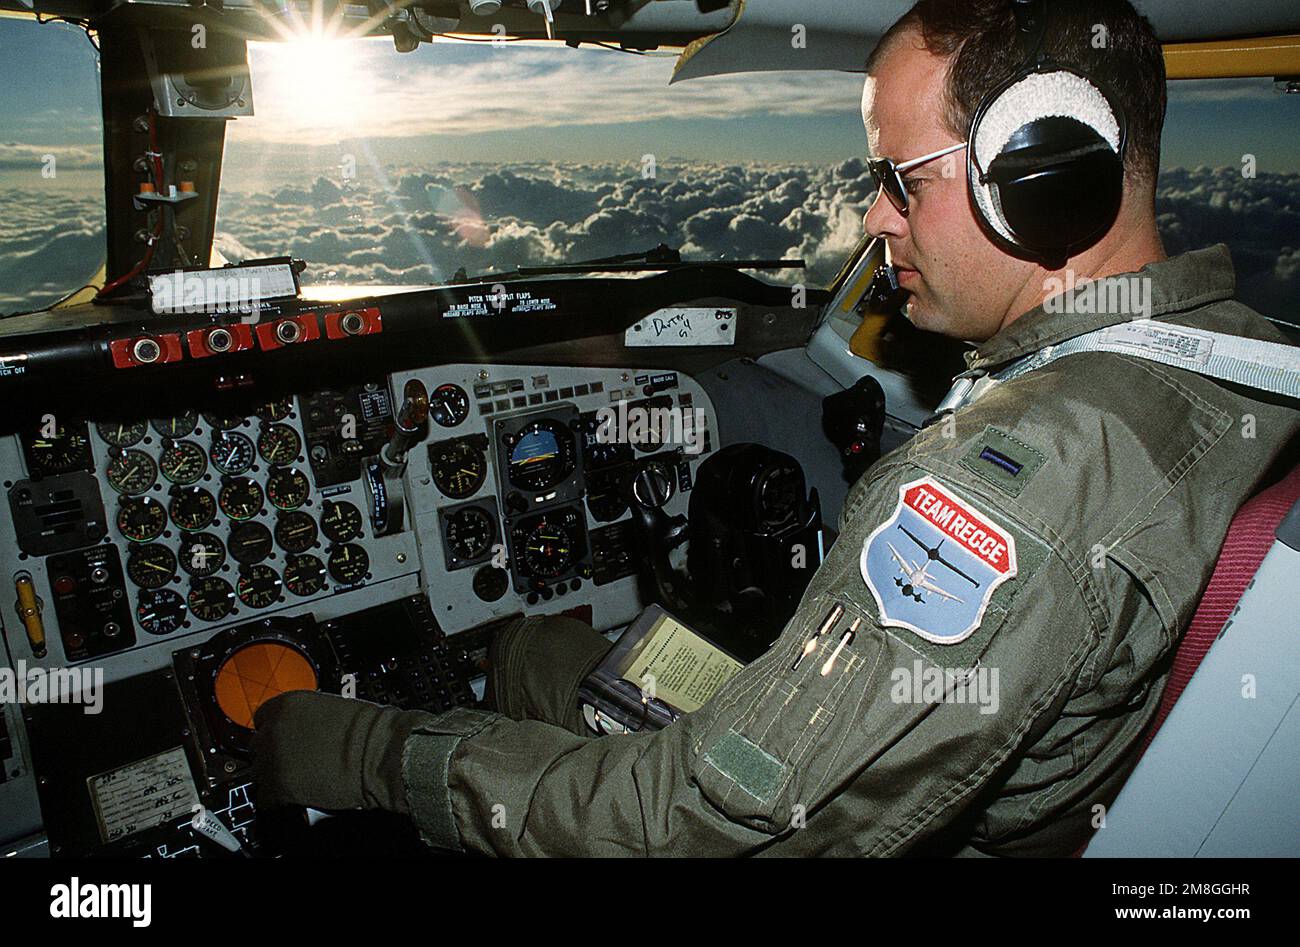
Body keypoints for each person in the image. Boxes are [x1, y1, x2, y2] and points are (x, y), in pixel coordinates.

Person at [252, 0, 1300, 856]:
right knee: (526, 648)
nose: (875, 220)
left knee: (446, 734)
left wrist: (379, 755)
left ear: (1043, 176)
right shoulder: (1243, 361)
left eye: (901, 180)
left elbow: (700, 821)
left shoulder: (1007, 484)